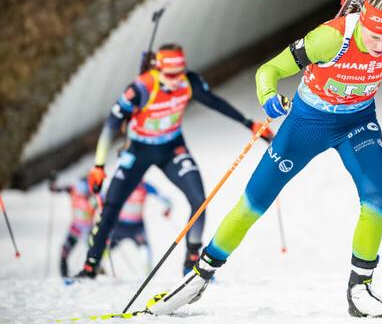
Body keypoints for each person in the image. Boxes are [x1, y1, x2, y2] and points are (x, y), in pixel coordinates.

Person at [147, 0, 382, 318]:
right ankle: (199, 277)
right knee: (255, 200)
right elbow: (268, 71)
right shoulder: (329, 39)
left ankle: (359, 290)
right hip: (306, 124)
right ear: (361, 22)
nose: (380, 47)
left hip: (357, 123)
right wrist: (268, 96)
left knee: (378, 196)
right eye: (374, 37)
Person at [75, 44, 274, 279]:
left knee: (199, 200)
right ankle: (90, 267)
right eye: (170, 75)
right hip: (138, 150)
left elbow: (214, 102)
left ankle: (190, 264)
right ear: (158, 69)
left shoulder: (189, 82)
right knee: (111, 206)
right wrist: (99, 166)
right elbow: (110, 125)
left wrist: (248, 123)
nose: (175, 80)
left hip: (172, 148)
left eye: (179, 74)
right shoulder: (141, 87)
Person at [108, 180, 172, 271]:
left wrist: (168, 207)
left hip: (136, 227)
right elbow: (106, 196)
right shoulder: (122, 183)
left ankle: (148, 273)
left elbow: (162, 197)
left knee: (145, 249)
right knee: (106, 245)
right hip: (119, 225)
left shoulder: (145, 186)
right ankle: (99, 267)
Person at [50, 176, 96, 277]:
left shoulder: (93, 194)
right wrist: (52, 182)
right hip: (76, 228)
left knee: (94, 254)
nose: (83, 195)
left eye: (85, 193)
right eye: (81, 193)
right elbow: (55, 189)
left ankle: (95, 273)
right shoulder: (73, 189)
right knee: (64, 250)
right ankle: (64, 277)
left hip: (88, 230)